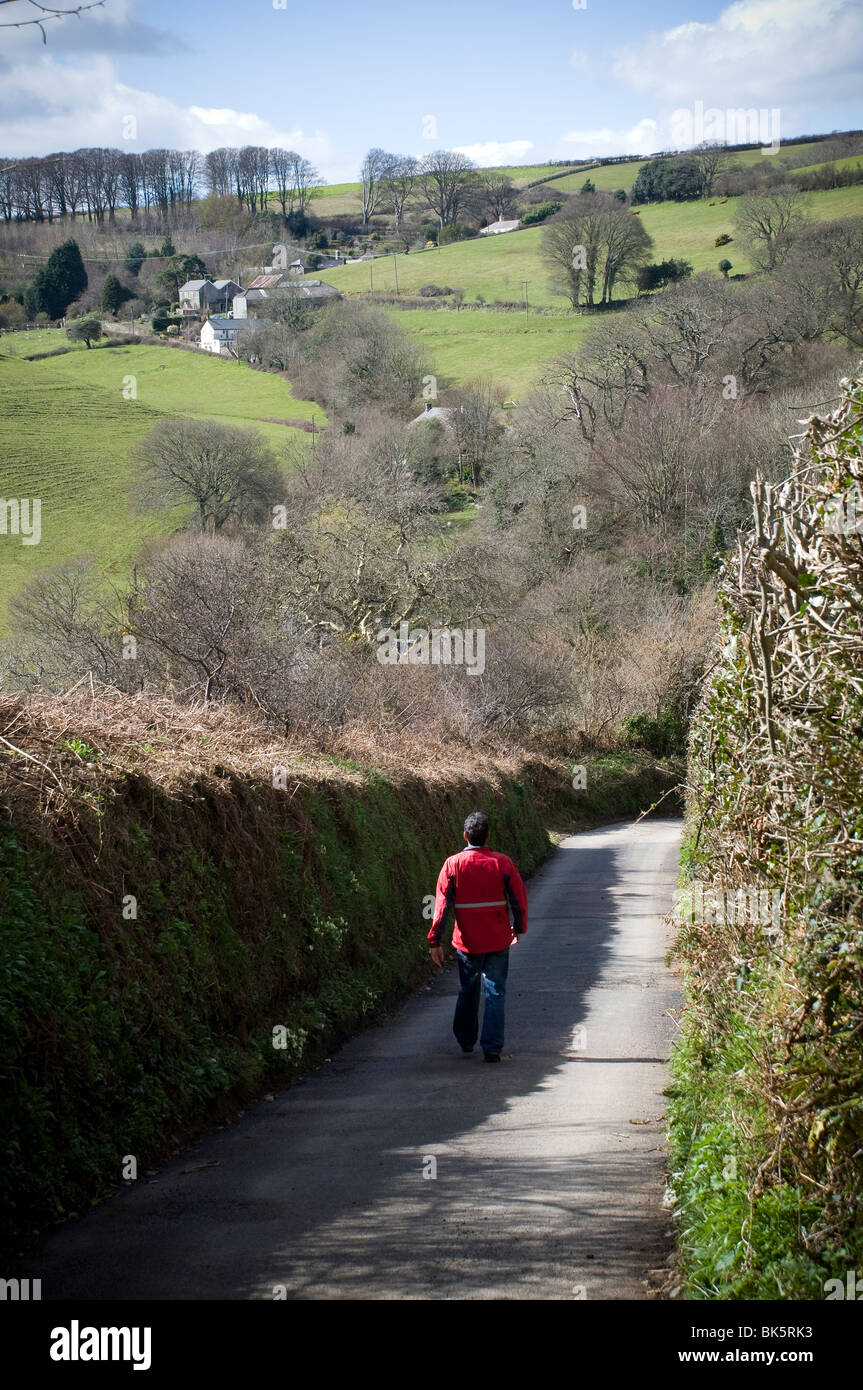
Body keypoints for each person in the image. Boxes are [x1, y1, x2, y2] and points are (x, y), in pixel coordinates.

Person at [428, 811, 528, 1062]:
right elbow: (518, 898)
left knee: (468, 989)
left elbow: (440, 907)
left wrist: (434, 940)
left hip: (467, 942)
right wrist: (520, 926)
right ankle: (492, 1048)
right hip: (497, 939)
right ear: (487, 836)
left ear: (465, 835)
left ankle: (465, 1040)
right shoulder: (502, 863)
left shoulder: (452, 864)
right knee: (495, 992)